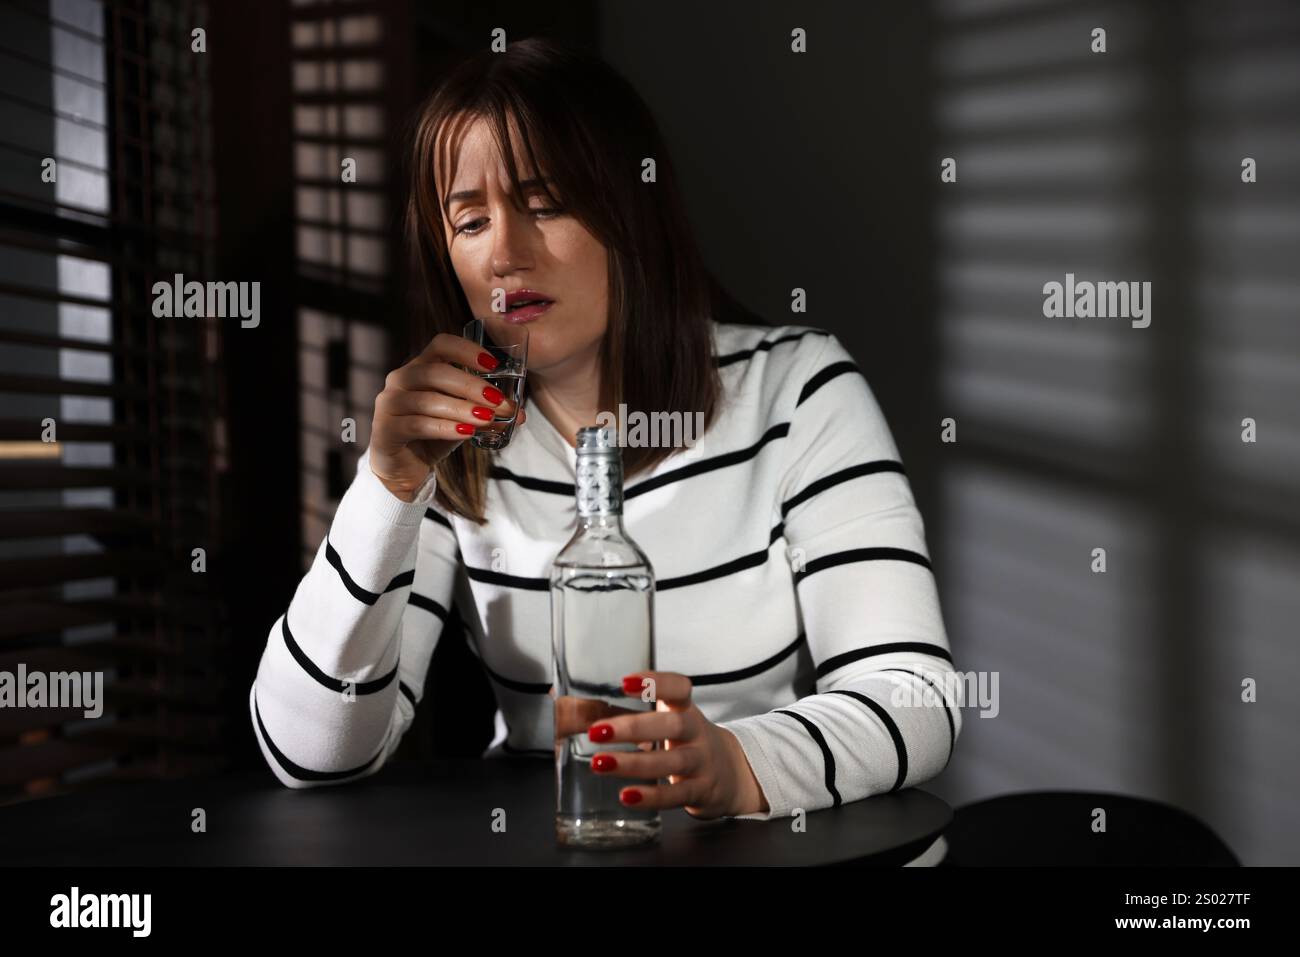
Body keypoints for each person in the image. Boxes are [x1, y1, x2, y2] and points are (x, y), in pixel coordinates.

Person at [249, 37, 961, 827]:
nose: (506, 256)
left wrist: (735, 763)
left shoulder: (797, 391)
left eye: (545, 204)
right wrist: (387, 490)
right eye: (471, 220)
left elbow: (914, 695)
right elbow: (308, 752)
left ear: (632, 206)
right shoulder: (453, 447)